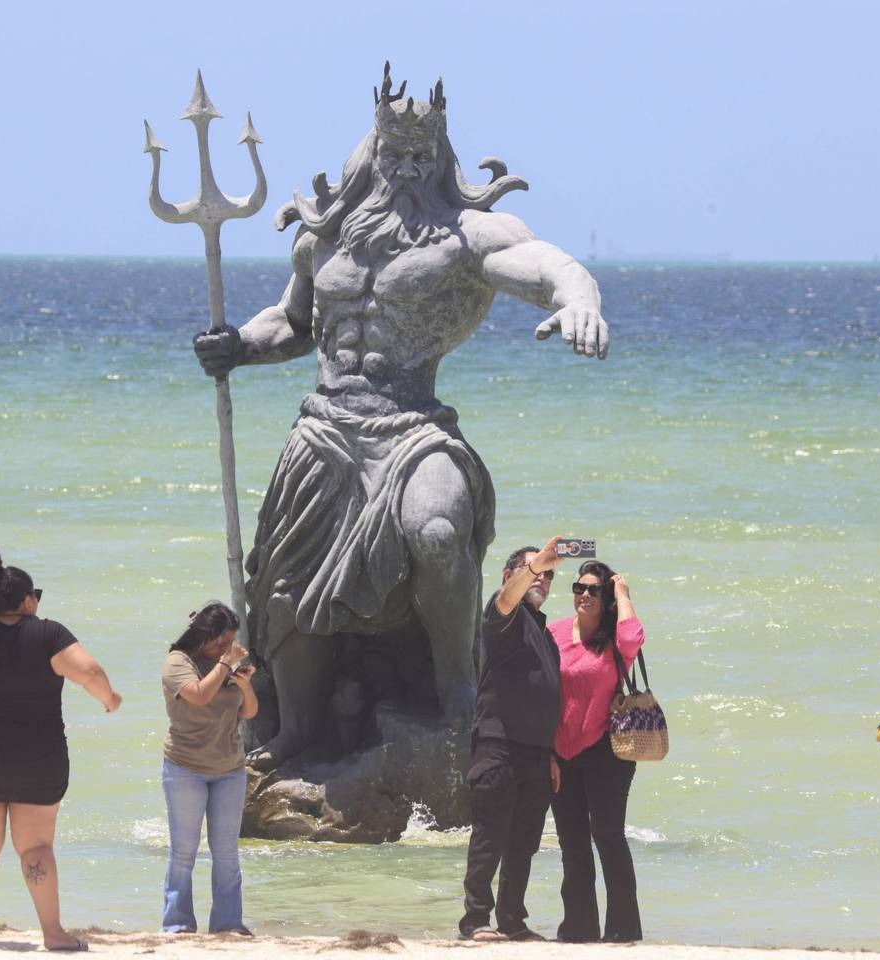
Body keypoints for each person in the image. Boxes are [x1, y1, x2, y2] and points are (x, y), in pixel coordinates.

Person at [193, 64, 611, 771]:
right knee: (288, 584)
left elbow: (543, 264)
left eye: (423, 156)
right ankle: (297, 729)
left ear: (443, 158)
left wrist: (580, 298)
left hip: (414, 428)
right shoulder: (324, 237)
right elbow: (293, 322)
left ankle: (457, 689)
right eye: (396, 154)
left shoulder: (468, 236)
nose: (408, 169)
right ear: (372, 153)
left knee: (438, 530)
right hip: (325, 430)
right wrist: (237, 345)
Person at [0, 564, 122, 952]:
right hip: (37, 760)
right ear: (27, 600)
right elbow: (90, 671)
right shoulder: (49, 634)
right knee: (36, 847)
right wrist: (110, 700)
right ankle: (53, 933)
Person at [459, 537, 567, 942]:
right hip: (498, 745)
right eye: (535, 571)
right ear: (510, 575)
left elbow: (544, 696)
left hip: (537, 753)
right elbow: (507, 599)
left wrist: (550, 753)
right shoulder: (502, 615)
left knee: (524, 842)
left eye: (549, 575)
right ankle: (475, 921)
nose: (543, 579)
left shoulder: (544, 633)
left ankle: (512, 921)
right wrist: (536, 565)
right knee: (490, 836)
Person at [548, 560, 646, 942]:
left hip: (607, 750)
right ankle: (578, 929)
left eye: (594, 590)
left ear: (605, 599)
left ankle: (623, 930)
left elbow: (634, 636)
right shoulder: (554, 632)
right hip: (561, 751)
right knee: (572, 843)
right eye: (579, 588)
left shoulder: (615, 639)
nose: (585, 595)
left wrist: (623, 596)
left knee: (607, 836)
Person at [160, 602, 259, 935]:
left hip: (230, 768)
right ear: (203, 635)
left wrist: (244, 684)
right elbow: (200, 695)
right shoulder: (178, 663)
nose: (225, 648)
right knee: (184, 851)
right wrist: (226, 663)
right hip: (185, 767)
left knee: (227, 852)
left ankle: (228, 924)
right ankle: (177, 924)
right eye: (221, 642)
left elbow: (249, 712)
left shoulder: (224, 664)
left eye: (230, 641)